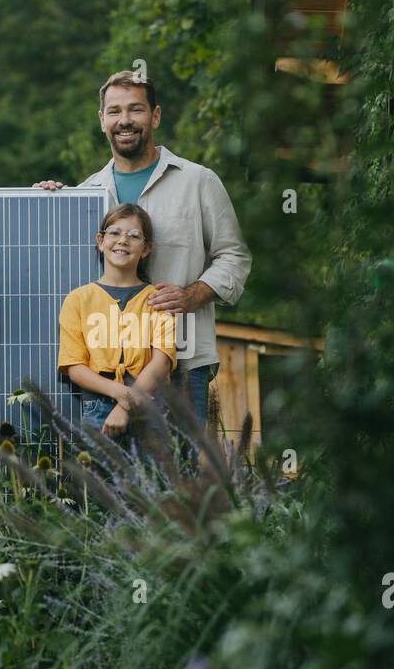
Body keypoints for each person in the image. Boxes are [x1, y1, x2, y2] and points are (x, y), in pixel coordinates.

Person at [34, 70, 251, 432]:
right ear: (102, 120)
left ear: (155, 116)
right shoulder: (85, 193)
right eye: (115, 111)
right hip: (105, 374)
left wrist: (190, 295)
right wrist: (47, 203)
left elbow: (235, 256)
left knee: (178, 476)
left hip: (183, 360)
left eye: (135, 110)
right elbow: (63, 268)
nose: (125, 121)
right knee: (111, 482)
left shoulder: (198, 181)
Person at [57, 203, 176, 441]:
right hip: (96, 407)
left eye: (133, 235)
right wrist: (120, 393)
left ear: (146, 248)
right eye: (114, 233)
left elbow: (161, 362)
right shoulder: (78, 299)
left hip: (149, 403)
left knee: (152, 477)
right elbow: (74, 367)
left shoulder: (157, 300)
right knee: (101, 478)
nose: (123, 240)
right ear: (100, 241)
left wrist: (125, 405)